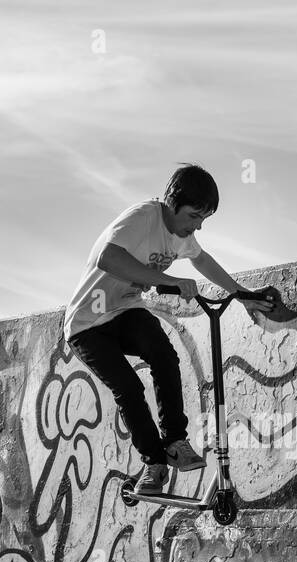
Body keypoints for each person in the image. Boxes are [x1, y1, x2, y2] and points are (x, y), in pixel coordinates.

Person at [64, 164, 256, 494]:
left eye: (203, 220)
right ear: (171, 201)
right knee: (127, 386)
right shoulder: (143, 217)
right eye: (194, 216)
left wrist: (242, 295)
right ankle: (153, 464)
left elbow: (203, 260)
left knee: (164, 355)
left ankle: (175, 442)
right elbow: (108, 258)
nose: (197, 226)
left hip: (123, 311)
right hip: (86, 323)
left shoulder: (181, 236)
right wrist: (169, 280)